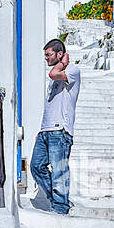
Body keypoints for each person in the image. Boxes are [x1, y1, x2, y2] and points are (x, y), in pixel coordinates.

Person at [30, 39, 81, 215]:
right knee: (36, 166)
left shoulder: (72, 70)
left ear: (60, 54)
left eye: (48, 54)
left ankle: (60, 207)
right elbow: (51, 106)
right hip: (46, 130)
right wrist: (41, 129)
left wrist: (63, 63)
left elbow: (53, 74)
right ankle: (58, 201)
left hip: (60, 131)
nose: (45, 58)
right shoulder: (54, 75)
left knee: (59, 169)